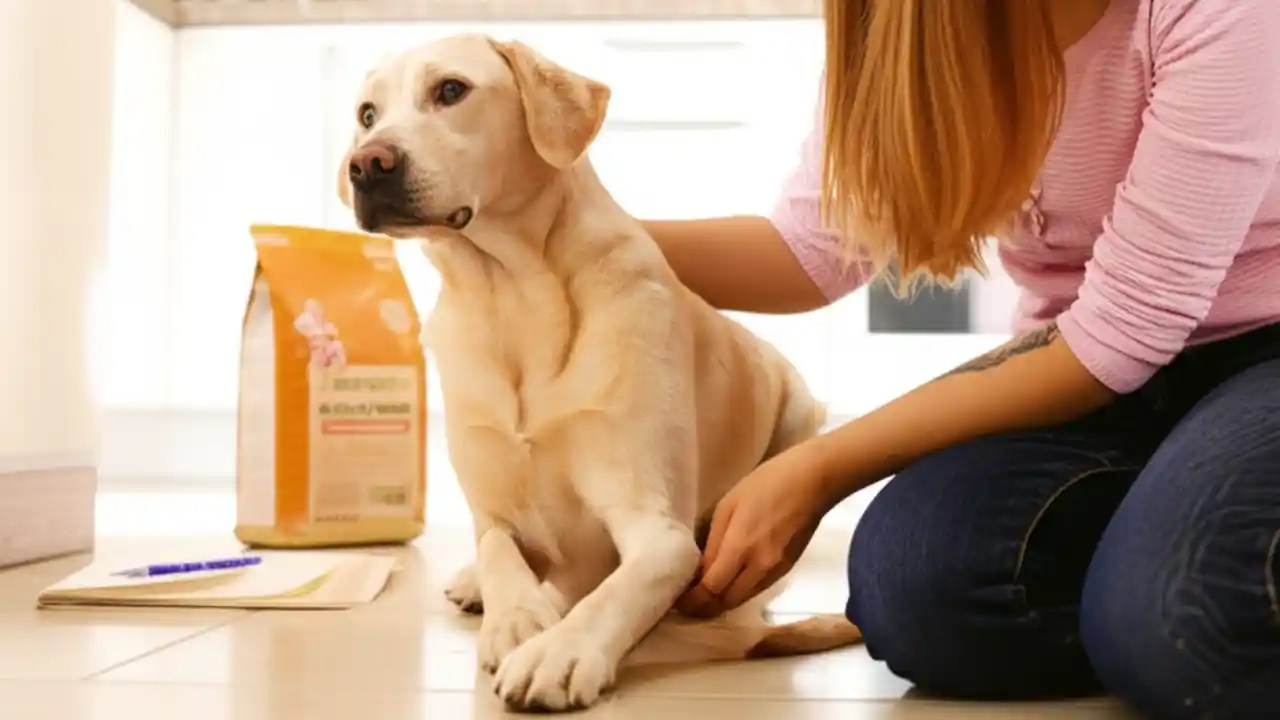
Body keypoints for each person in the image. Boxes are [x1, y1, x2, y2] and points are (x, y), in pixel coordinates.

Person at [642, 1, 1280, 717]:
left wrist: (817, 467)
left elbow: (1124, 329)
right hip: (1089, 376)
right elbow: (812, 250)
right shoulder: (911, 19)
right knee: (916, 596)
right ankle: (1169, 585)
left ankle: (1172, 607)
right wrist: (567, 231)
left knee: (1181, 622)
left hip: (1257, 353)